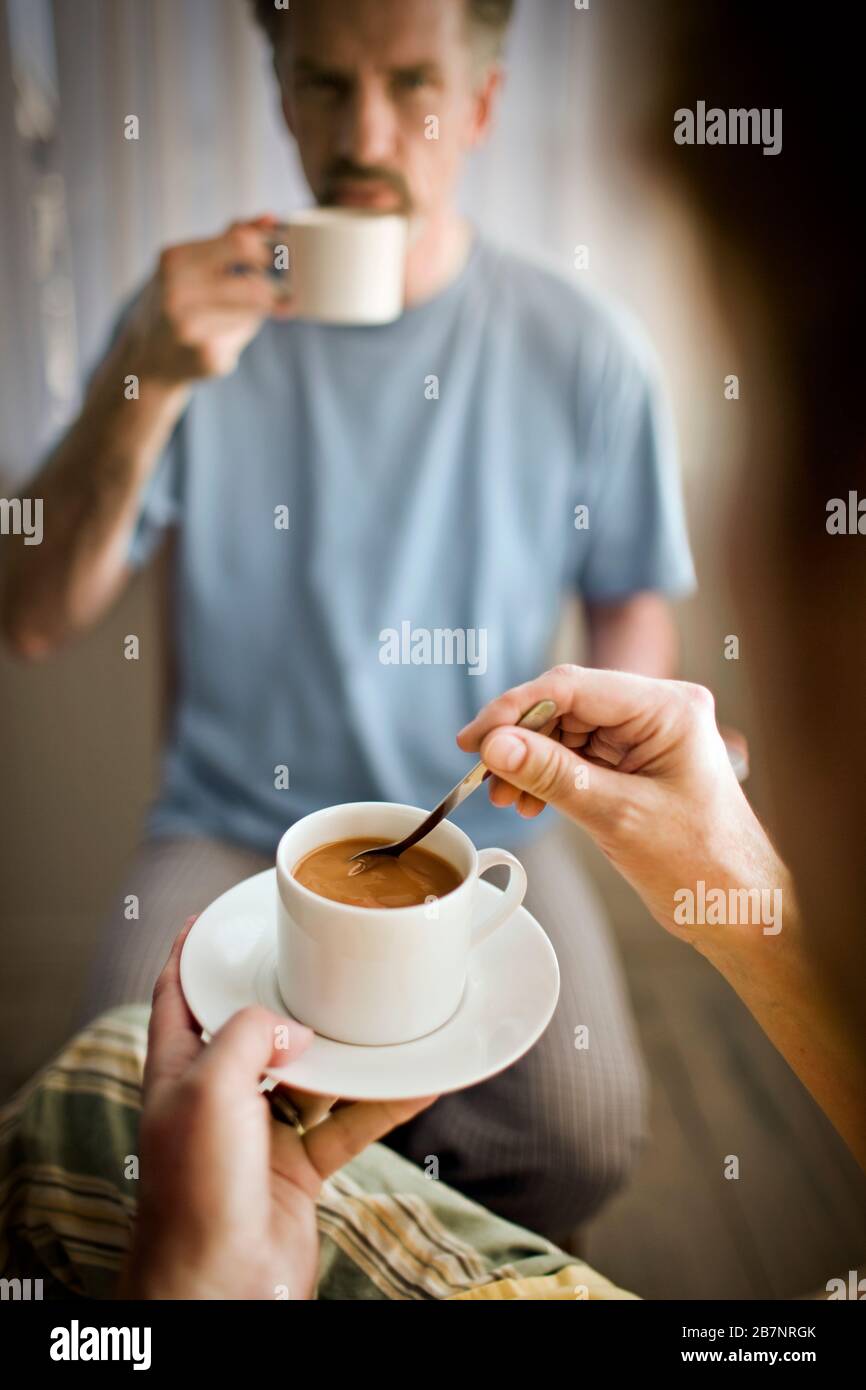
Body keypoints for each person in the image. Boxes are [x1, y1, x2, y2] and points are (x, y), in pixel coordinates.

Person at [0, 0, 697, 1242]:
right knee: (122, 1129)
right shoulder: (183, 328)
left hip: (483, 832)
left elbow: (633, 604)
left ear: (480, 104)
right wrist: (144, 383)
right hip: (223, 831)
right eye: (321, 84)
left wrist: (576, 765)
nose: (364, 131)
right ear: (279, 96)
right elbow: (34, 615)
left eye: (412, 83)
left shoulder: (584, 350)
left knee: (583, 1132)